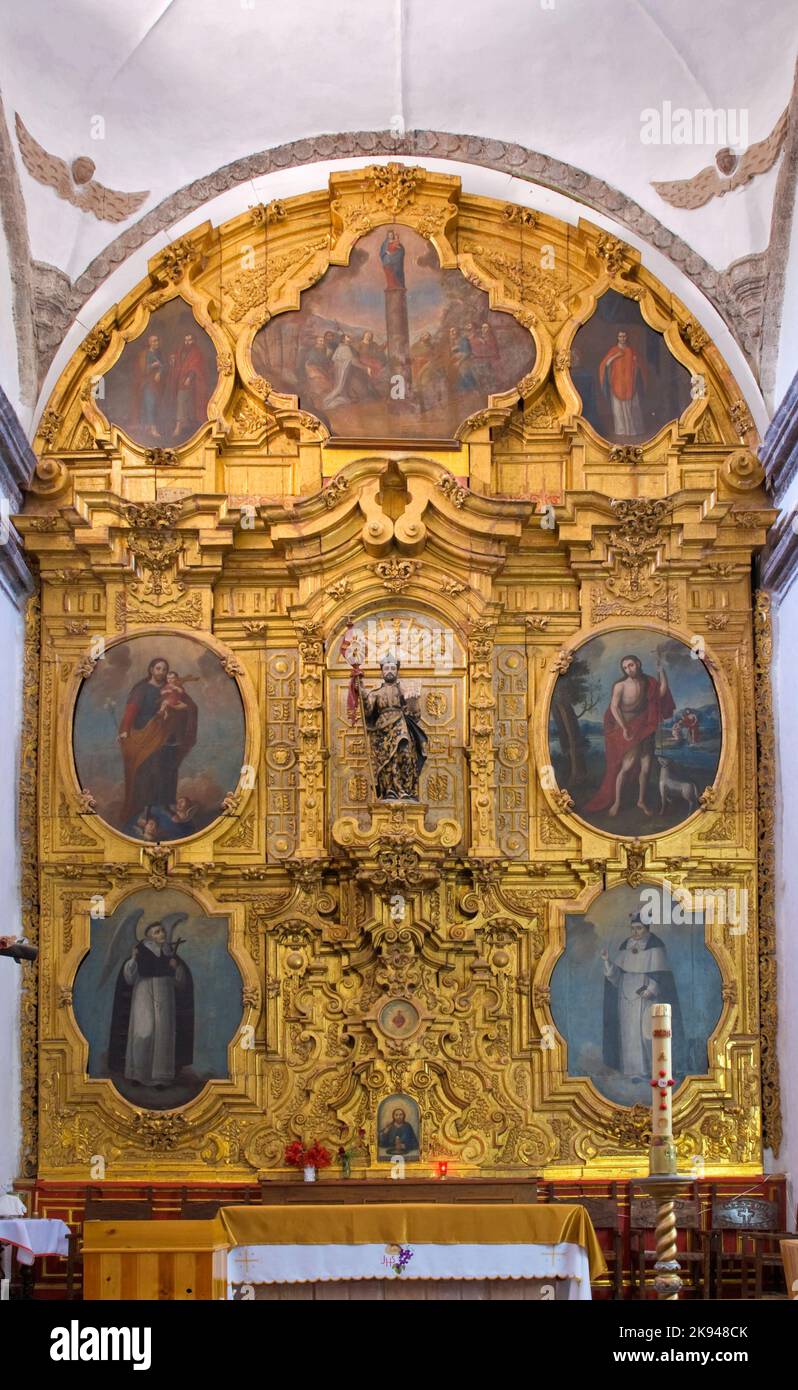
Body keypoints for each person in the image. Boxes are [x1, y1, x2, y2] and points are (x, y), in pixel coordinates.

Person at [584, 654, 675, 817]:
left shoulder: (648, 682)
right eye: (625, 667)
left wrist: (661, 672)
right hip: (628, 728)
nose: (628, 669)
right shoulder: (620, 686)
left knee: (646, 768)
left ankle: (641, 801)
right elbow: (614, 707)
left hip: (645, 727)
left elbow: (661, 693)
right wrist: (624, 727)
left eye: (631, 665)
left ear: (638, 664)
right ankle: (617, 802)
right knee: (627, 766)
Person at [108, 919, 193, 1090]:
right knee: (143, 1033)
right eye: (157, 932)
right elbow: (129, 978)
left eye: (162, 930)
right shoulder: (140, 952)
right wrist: (132, 959)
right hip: (143, 994)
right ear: (149, 937)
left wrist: (175, 967)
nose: (162, 933)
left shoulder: (169, 953)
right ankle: (138, 1074)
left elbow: (180, 982)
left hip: (165, 994)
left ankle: (161, 1078)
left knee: (163, 1034)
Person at [601, 913, 684, 1081]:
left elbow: (661, 975)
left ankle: (654, 1069)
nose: (635, 932)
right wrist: (607, 961)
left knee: (647, 1033)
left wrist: (651, 989)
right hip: (625, 996)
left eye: (639, 928)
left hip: (646, 996)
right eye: (633, 928)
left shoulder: (655, 946)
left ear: (647, 929)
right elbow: (616, 976)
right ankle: (634, 1072)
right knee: (629, 1032)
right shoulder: (626, 945)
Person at [118, 656, 198, 826]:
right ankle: (146, 810)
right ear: (151, 670)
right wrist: (125, 730)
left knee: (168, 770)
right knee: (149, 771)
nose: (161, 672)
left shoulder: (172, 688)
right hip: (146, 735)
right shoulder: (142, 689)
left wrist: (185, 708)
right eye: (158, 669)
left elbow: (190, 706)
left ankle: (166, 804)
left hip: (168, 737)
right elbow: (131, 711)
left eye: (164, 669)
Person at [360, 653, 428, 801]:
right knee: (386, 760)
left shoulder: (404, 691)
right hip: (382, 731)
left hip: (400, 725)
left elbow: (415, 716)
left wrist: (413, 702)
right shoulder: (375, 693)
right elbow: (368, 711)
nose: (389, 671)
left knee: (405, 753)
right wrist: (361, 690)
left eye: (392, 668)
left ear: (397, 670)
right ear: (382, 671)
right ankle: (389, 789)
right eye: (386, 668)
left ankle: (404, 789)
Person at [598, 329, 647, 437]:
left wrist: (636, 362)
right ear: (617, 338)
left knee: (633, 408)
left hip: (630, 383)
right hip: (617, 383)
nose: (622, 338)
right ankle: (621, 431)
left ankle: (633, 431)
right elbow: (605, 365)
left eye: (624, 336)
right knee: (618, 409)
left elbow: (639, 366)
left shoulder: (630, 350)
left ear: (626, 338)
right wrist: (615, 356)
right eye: (620, 336)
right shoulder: (613, 350)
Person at [166, 332, 208, 440]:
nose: (187, 342)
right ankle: (184, 424)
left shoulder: (196, 352)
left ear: (193, 341)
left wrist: (189, 378)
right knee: (182, 401)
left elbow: (196, 366)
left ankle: (179, 426)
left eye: (189, 340)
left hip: (192, 383)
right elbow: (175, 359)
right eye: (186, 340)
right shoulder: (181, 350)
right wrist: (172, 360)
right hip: (180, 381)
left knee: (183, 400)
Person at [136, 334, 165, 440]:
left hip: (156, 384)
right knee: (150, 404)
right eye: (154, 341)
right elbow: (143, 370)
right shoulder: (145, 354)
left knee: (154, 405)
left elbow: (162, 365)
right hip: (148, 384)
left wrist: (159, 373)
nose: (156, 343)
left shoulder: (158, 353)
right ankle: (152, 429)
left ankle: (150, 428)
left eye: (157, 341)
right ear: (149, 343)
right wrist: (153, 366)